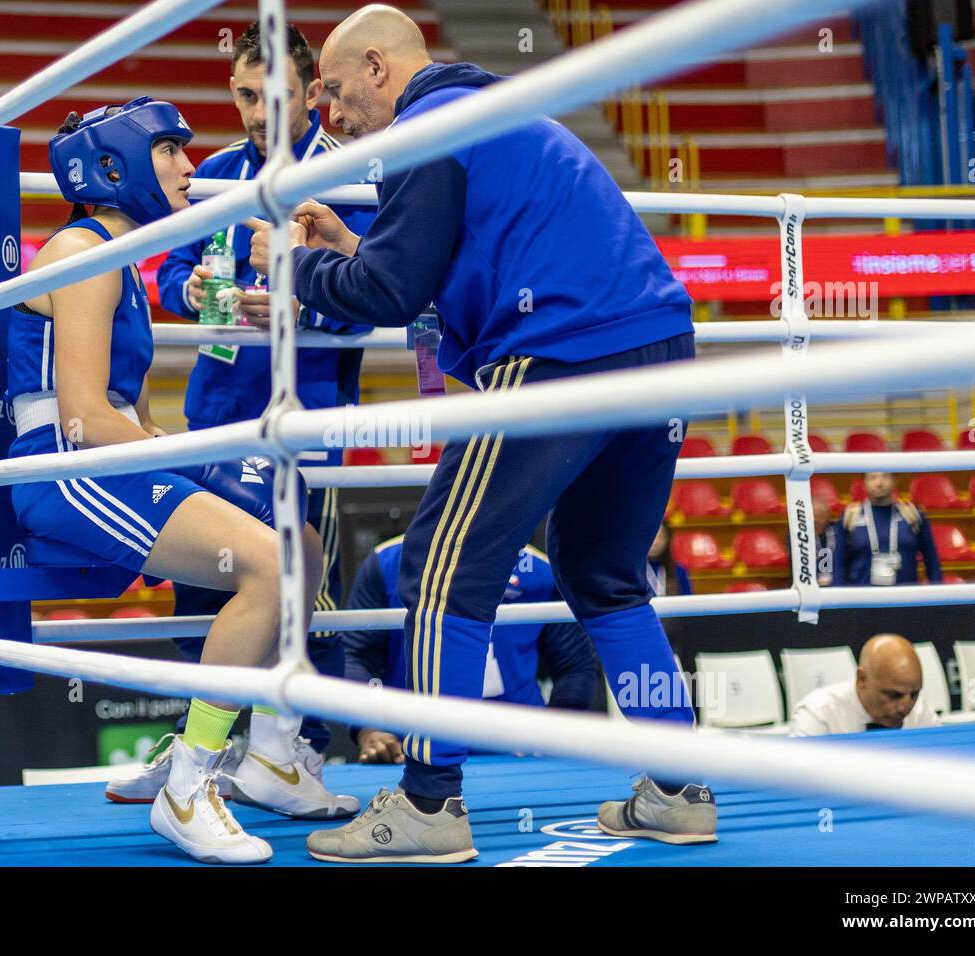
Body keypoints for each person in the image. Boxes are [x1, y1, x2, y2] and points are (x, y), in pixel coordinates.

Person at [248, 4, 713, 862]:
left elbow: (387, 293)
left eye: (340, 95)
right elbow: (426, 274)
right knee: (604, 575)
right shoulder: (497, 119)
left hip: (562, 358)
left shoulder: (427, 129)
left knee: (436, 568)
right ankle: (679, 788)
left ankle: (428, 804)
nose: (332, 119)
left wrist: (299, 268)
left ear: (383, 70)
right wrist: (351, 249)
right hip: (657, 351)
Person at [13, 97, 350, 865]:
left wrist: (177, 448)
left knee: (294, 538)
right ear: (113, 167)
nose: (189, 168)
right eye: (169, 150)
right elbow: (83, 421)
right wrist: (181, 454)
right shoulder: (82, 251)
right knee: (266, 562)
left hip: (101, 456)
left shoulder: (118, 256)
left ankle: (266, 749)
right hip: (64, 469)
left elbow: (128, 408)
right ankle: (191, 783)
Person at [153, 21, 377, 779]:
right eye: (244, 94)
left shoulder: (351, 175)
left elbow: (377, 295)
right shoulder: (212, 173)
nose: (255, 112)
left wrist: (298, 293)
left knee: (295, 587)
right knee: (199, 589)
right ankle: (200, 750)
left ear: (312, 92)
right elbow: (165, 270)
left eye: (270, 95)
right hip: (216, 412)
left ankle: (283, 751)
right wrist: (188, 290)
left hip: (303, 423)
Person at [340, 536, 599, 763]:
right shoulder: (387, 563)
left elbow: (575, 665)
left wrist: (555, 732)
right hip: (412, 749)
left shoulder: (539, 570)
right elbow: (359, 655)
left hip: (520, 750)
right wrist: (370, 729)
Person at [790, 633, 939, 736]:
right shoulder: (819, 715)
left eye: (914, 694)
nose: (904, 708)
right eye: (893, 695)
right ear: (861, 679)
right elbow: (798, 778)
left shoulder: (921, 713)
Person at [832, 472, 943, 587]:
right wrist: (836, 600)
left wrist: (939, 597)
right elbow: (838, 563)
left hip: (905, 598)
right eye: (872, 477)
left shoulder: (913, 514)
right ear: (864, 483)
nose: (879, 483)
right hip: (862, 599)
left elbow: (932, 561)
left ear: (895, 480)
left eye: (885, 477)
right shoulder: (850, 516)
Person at [647, 522, 692, 597]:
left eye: (660, 537)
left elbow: (688, 602)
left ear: (667, 540)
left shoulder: (679, 570)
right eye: (652, 537)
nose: (655, 542)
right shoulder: (633, 573)